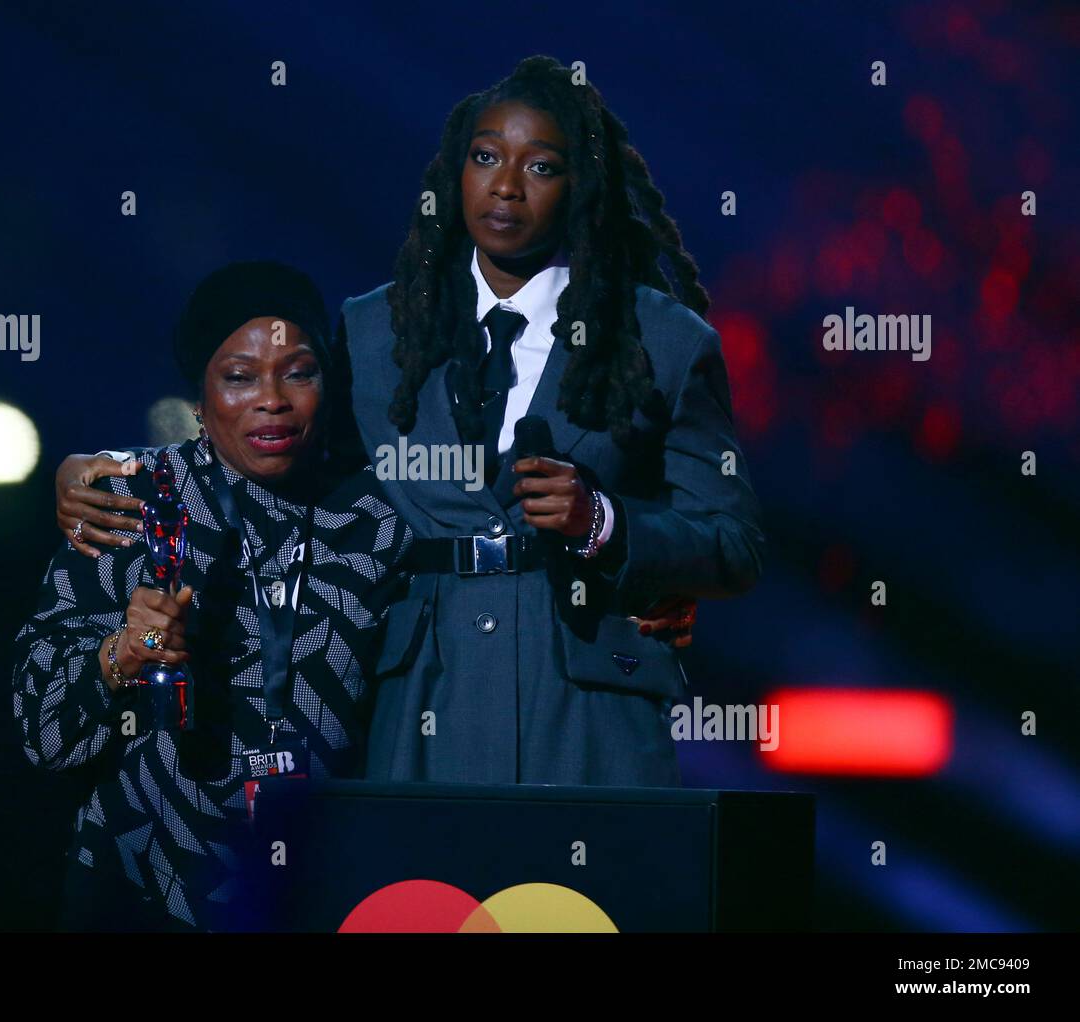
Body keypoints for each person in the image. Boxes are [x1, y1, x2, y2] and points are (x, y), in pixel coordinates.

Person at [55, 54, 758, 790]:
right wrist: (104, 467)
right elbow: (275, 464)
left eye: (541, 166)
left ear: (582, 185)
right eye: (486, 157)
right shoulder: (374, 332)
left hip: (589, 716)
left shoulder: (664, 340)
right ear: (456, 173)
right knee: (432, 905)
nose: (507, 185)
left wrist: (607, 527)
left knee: (573, 907)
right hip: (421, 699)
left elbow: (733, 542)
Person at [12, 261, 413, 931]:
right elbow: (41, 737)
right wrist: (123, 654)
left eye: (299, 371)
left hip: (319, 890)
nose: (272, 399)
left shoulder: (377, 520)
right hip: (140, 890)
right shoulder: (125, 504)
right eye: (239, 376)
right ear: (199, 397)